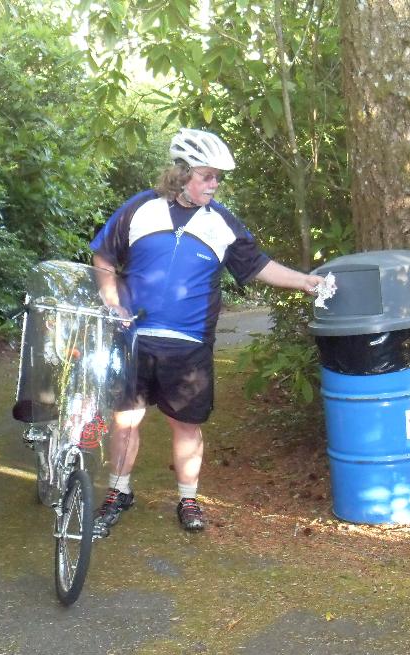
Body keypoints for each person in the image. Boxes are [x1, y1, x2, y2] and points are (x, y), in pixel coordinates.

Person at [89, 128, 323, 536]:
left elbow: (258, 266)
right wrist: (112, 303)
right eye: (206, 175)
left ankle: (188, 498)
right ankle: (119, 492)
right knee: (126, 420)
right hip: (133, 338)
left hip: (190, 347)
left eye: (217, 177)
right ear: (180, 174)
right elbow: (104, 257)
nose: (214, 184)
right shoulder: (139, 209)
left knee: (187, 426)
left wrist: (305, 281)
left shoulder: (222, 223)